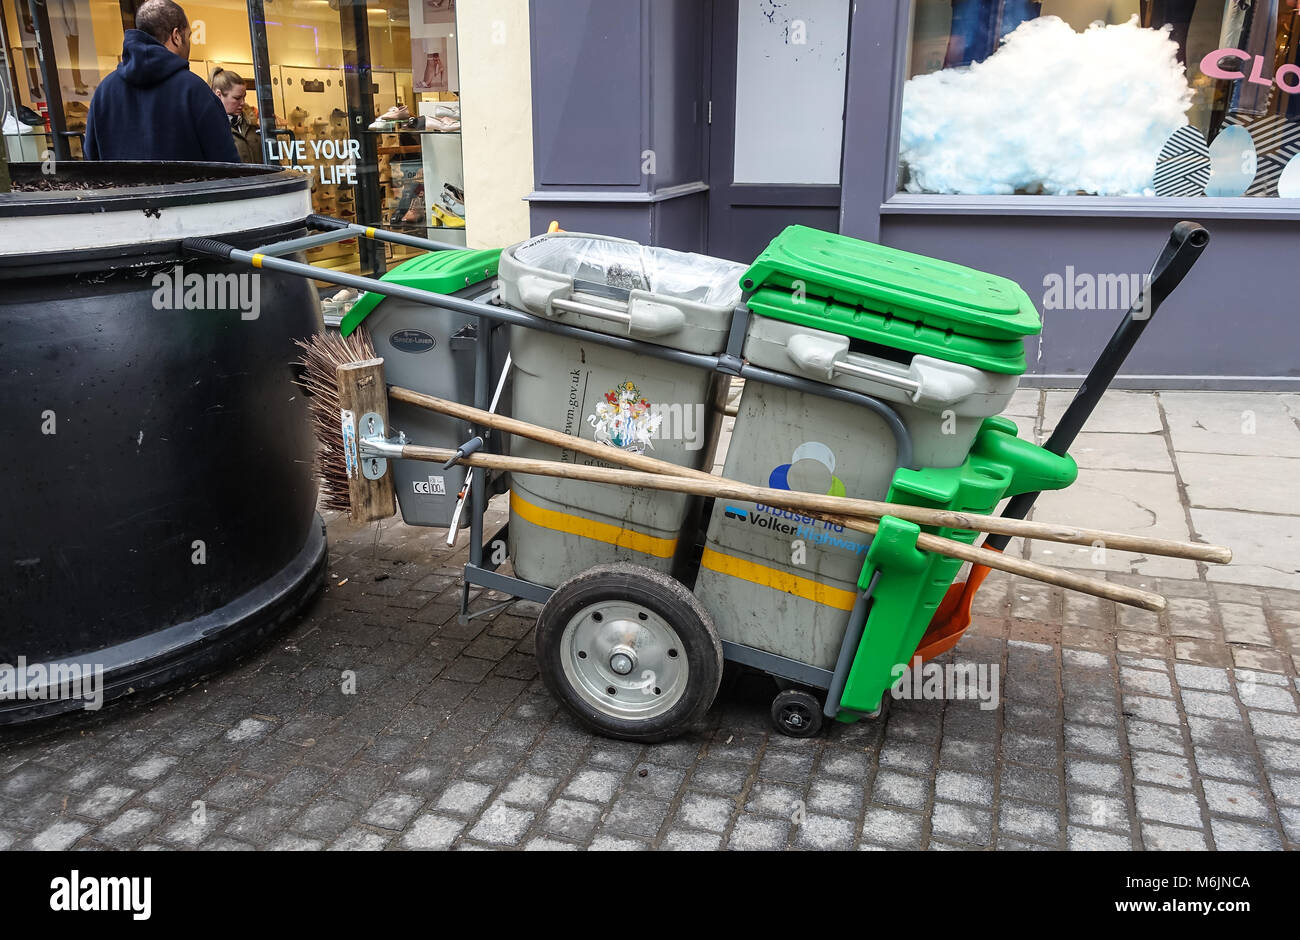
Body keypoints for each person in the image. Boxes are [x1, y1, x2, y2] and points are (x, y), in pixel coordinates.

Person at [83, 0, 238, 162]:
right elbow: (227, 164)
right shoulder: (195, 90)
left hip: (123, 187)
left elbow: (92, 159)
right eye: (188, 36)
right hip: (189, 187)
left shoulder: (104, 91)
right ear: (176, 36)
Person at [211, 67, 262, 163]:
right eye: (237, 98)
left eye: (244, 97)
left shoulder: (253, 126)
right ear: (219, 95)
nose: (243, 103)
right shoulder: (211, 129)